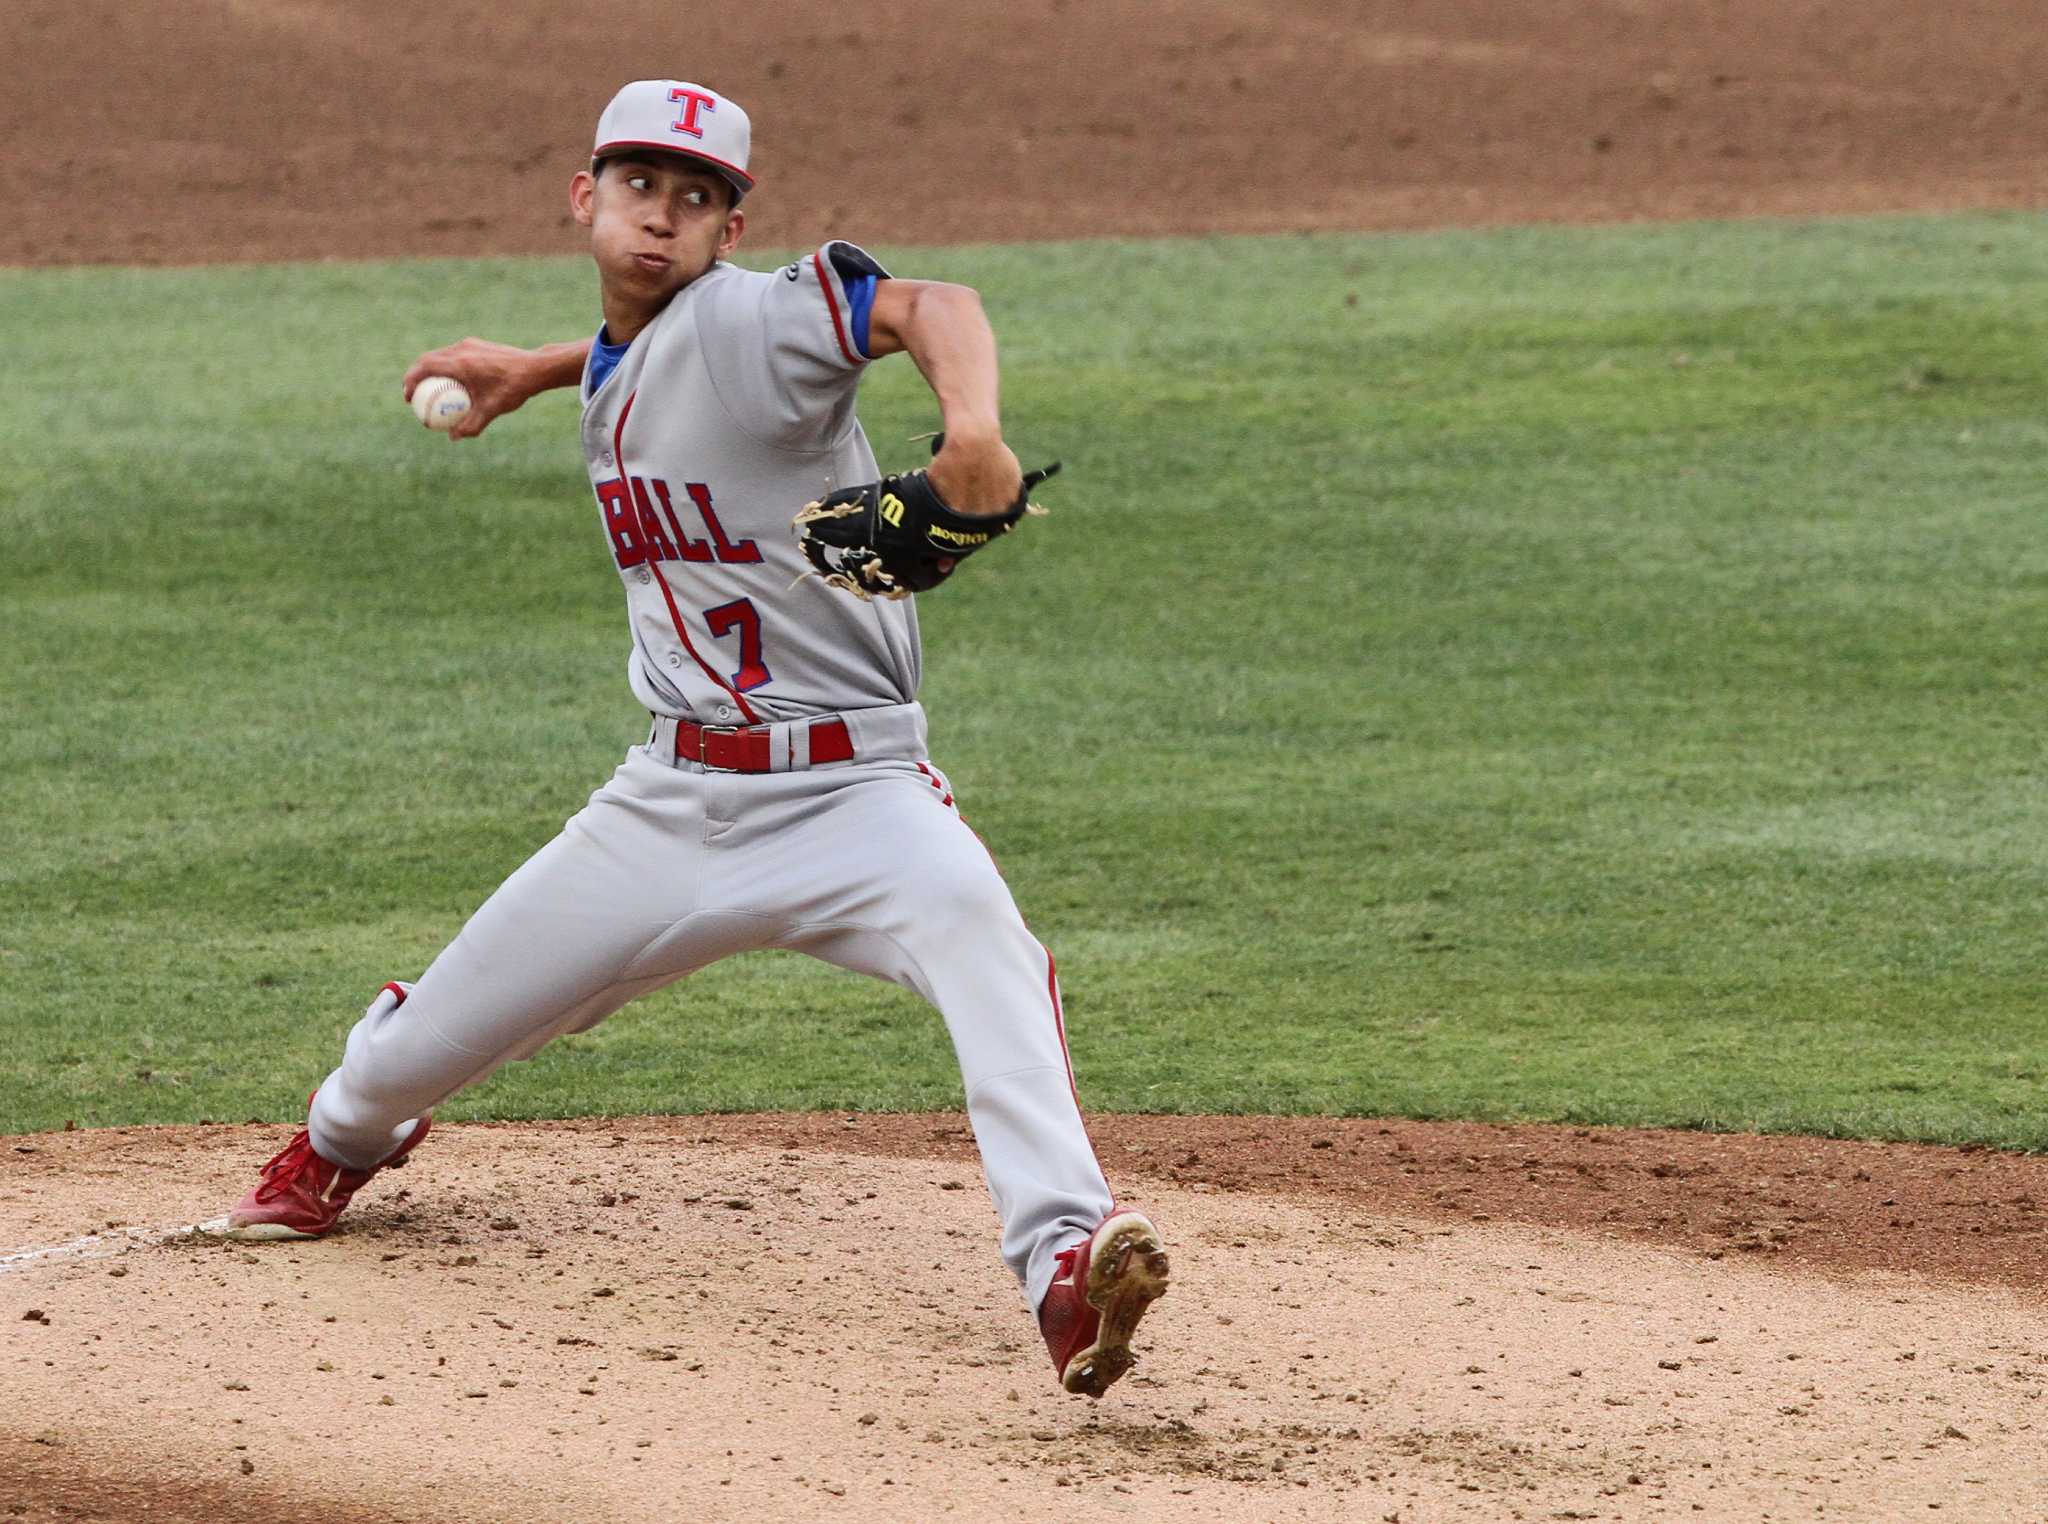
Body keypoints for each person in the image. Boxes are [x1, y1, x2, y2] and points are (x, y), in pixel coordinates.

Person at [221, 78, 1169, 1398]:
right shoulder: (633, 350)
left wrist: (974, 433)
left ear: (734, 227)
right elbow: (636, 359)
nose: (662, 216)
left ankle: (1068, 1267)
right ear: (585, 199)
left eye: (697, 198)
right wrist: (531, 372)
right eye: (639, 187)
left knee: (986, 946)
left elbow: (931, 307)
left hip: (858, 797)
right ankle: (345, 1140)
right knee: (399, 1063)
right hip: (668, 808)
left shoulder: (758, 321)